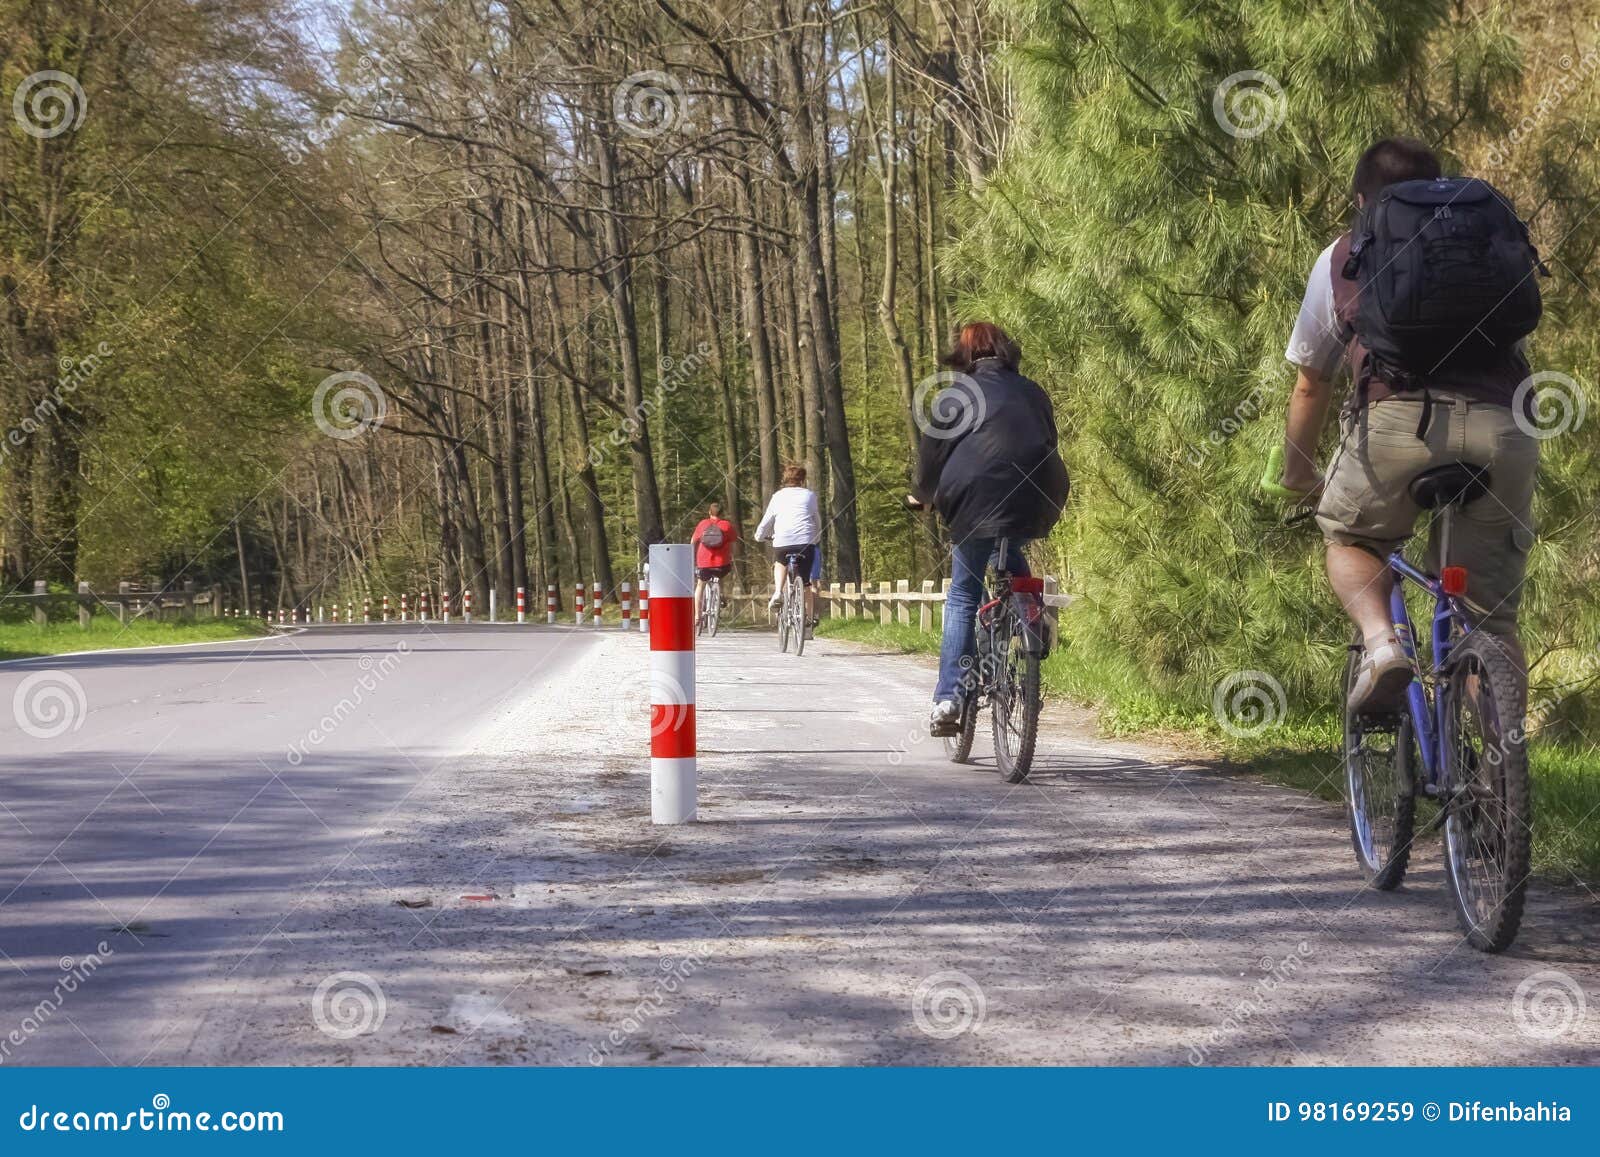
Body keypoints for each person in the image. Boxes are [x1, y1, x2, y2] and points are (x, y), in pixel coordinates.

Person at [1268, 137, 1541, 714]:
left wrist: (1298, 470)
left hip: (1398, 424)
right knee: (1489, 622)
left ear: (1364, 198)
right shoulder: (1483, 244)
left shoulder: (1343, 254)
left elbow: (1311, 383)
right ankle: (1501, 786)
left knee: (1350, 539)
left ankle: (1383, 644)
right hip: (1506, 426)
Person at [911, 322, 1069, 736]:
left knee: (963, 593)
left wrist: (922, 495)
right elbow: (1048, 441)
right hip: (1040, 492)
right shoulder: (1034, 391)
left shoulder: (955, 394)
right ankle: (1030, 612)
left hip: (975, 500)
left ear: (963, 357)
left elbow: (931, 455)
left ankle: (948, 698)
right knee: (1010, 542)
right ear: (1006, 352)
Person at [754, 464, 821, 625]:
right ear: (802, 480)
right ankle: (807, 621)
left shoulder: (777, 496)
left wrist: (759, 536)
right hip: (806, 542)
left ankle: (778, 592)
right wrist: (816, 537)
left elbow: (766, 521)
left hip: (782, 541)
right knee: (806, 583)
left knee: (780, 562)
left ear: (785, 479)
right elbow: (816, 520)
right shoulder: (809, 495)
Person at [690, 502, 739, 625]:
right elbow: (734, 540)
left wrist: (691, 554)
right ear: (722, 513)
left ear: (709, 512)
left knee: (700, 585)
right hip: (722, 563)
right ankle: (720, 595)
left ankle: (697, 616)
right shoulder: (726, 525)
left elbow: (693, 541)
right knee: (719, 576)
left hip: (704, 562)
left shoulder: (703, 524)